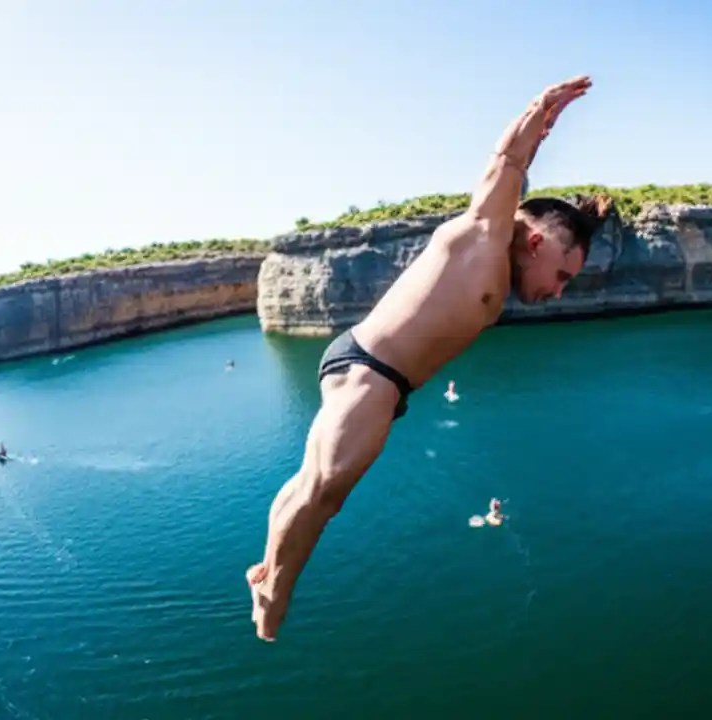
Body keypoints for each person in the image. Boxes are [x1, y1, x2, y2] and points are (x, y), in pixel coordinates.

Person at [246, 74, 609, 642]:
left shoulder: (495, 253)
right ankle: (272, 597)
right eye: (561, 276)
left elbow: (519, 169)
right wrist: (539, 112)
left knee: (316, 488)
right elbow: (506, 164)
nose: (558, 291)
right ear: (536, 243)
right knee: (323, 488)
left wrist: (537, 138)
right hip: (371, 370)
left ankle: (268, 567)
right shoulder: (485, 236)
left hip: (382, 378)